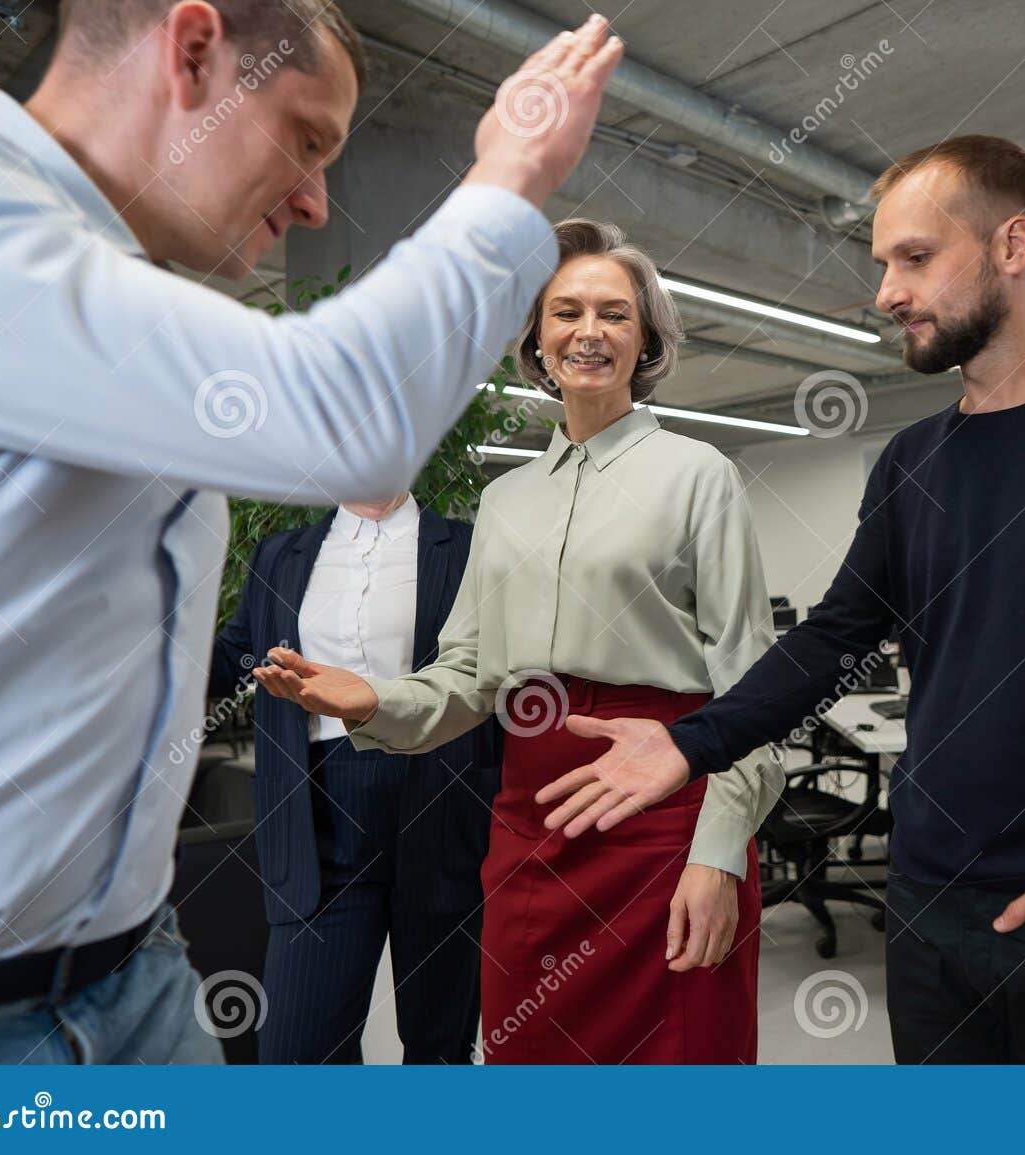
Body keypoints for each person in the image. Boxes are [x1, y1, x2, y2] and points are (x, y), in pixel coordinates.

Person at [0, 0, 622, 1065]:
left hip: (131, 966)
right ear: (191, 53)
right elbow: (344, 418)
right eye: (308, 138)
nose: (318, 202)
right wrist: (513, 172)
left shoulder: (105, 293)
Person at [534, 135, 1025, 1064]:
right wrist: (690, 743)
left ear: (1013, 247)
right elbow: (834, 640)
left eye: (916, 257)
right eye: (884, 264)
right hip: (928, 911)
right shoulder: (913, 462)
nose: (888, 290)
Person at [251, 219, 785, 1064]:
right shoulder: (505, 502)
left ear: (645, 337)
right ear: (536, 337)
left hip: (663, 816)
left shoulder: (698, 475)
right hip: (529, 827)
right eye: (566, 311)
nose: (589, 331)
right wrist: (375, 698)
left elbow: (754, 693)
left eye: (615, 313)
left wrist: (721, 853)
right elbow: (468, 675)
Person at [208, 491, 499, 1064]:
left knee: (438, 1048)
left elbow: (498, 673)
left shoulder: (468, 549)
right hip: (315, 806)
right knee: (299, 1050)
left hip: (443, 797)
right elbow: (230, 658)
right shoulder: (278, 556)